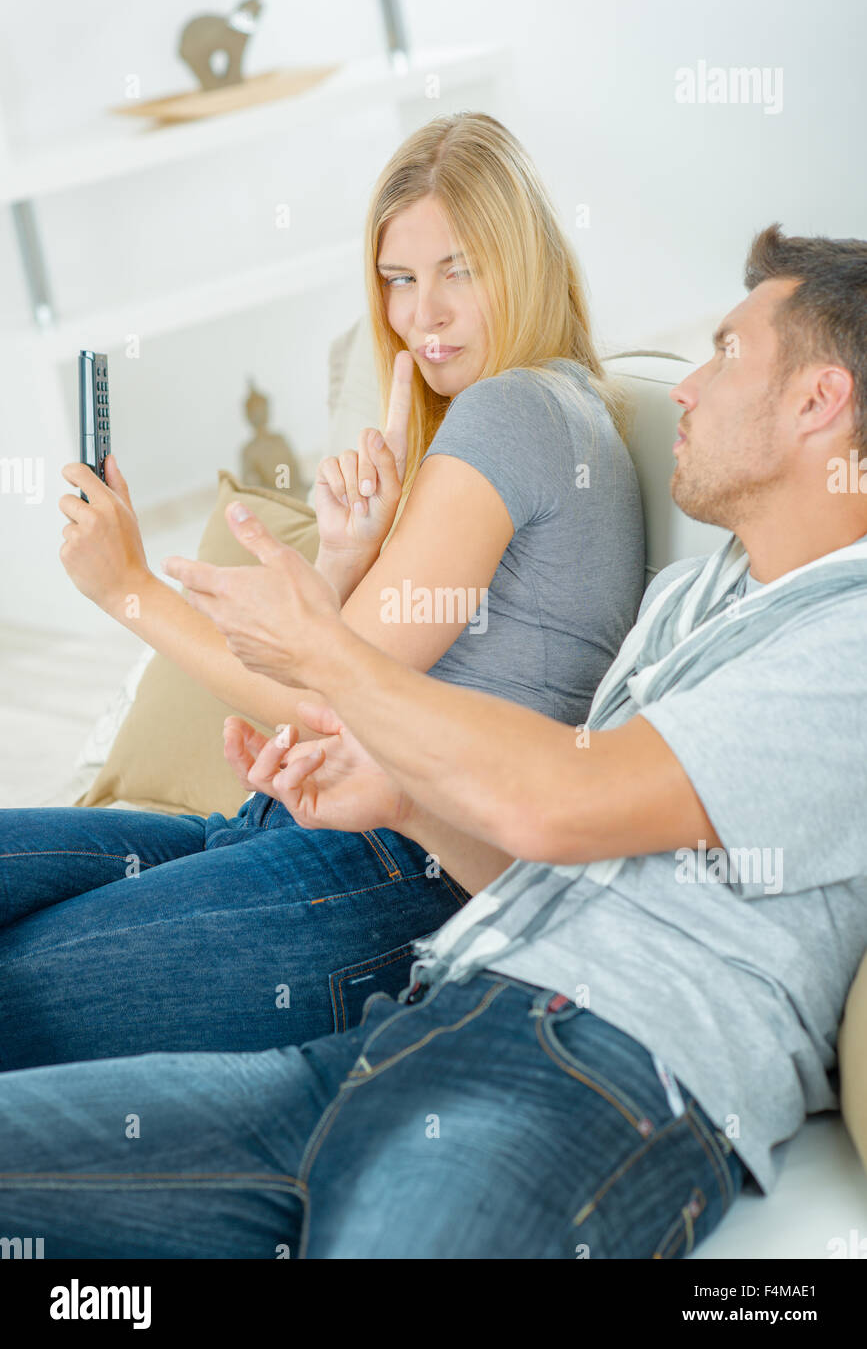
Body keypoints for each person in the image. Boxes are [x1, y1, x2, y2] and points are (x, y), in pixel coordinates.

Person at [0, 223, 864, 1260]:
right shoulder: (697, 593)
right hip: (407, 1026)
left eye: (724, 353)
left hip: (590, 1076)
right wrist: (406, 800)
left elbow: (564, 798)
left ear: (820, 400)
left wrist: (317, 648)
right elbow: (549, 855)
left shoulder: (848, 640)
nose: (683, 388)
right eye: (400, 279)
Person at [0, 112, 644, 1066]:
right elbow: (351, 688)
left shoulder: (515, 415)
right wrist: (348, 553)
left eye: (458, 269)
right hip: (298, 828)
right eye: (399, 279)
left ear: (525, 261)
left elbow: (326, 694)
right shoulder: (517, 423)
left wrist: (128, 588)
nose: (422, 315)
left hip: (394, 876)